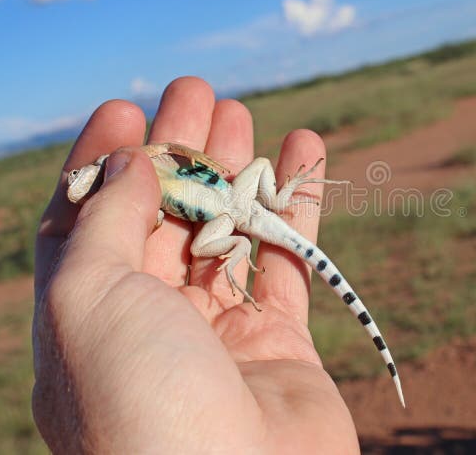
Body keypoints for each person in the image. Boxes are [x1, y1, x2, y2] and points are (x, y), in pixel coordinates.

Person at [32, 77, 360, 453]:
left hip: (234, 206)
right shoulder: (132, 173)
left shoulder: (125, 165)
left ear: (90, 169)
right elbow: (157, 202)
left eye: (78, 177)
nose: (77, 186)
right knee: (249, 187)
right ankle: (252, 232)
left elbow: (169, 154)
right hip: (228, 209)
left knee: (252, 181)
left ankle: (266, 213)